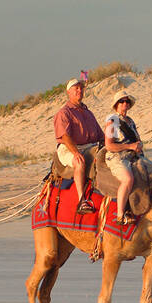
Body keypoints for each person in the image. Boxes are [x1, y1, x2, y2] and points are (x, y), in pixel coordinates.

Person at [53, 73, 104, 213]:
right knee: (79, 162)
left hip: (89, 147)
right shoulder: (64, 113)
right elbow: (64, 136)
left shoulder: (89, 113)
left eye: (81, 88)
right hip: (68, 148)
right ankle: (82, 200)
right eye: (76, 88)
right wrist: (75, 152)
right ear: (69, 92)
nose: (79, 91)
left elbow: (101, 136)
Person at [103, 90, 145, 225]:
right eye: (122, 101)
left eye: (127, 101)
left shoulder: (130, 121)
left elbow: (136, 140)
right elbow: (109, 146)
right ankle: (120, 215)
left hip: (133, 156)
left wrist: (138, 145)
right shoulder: (112, 121)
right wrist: (131, 146)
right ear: (116, 104)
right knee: (128, 179)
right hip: (117, 157)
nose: (125, 103)